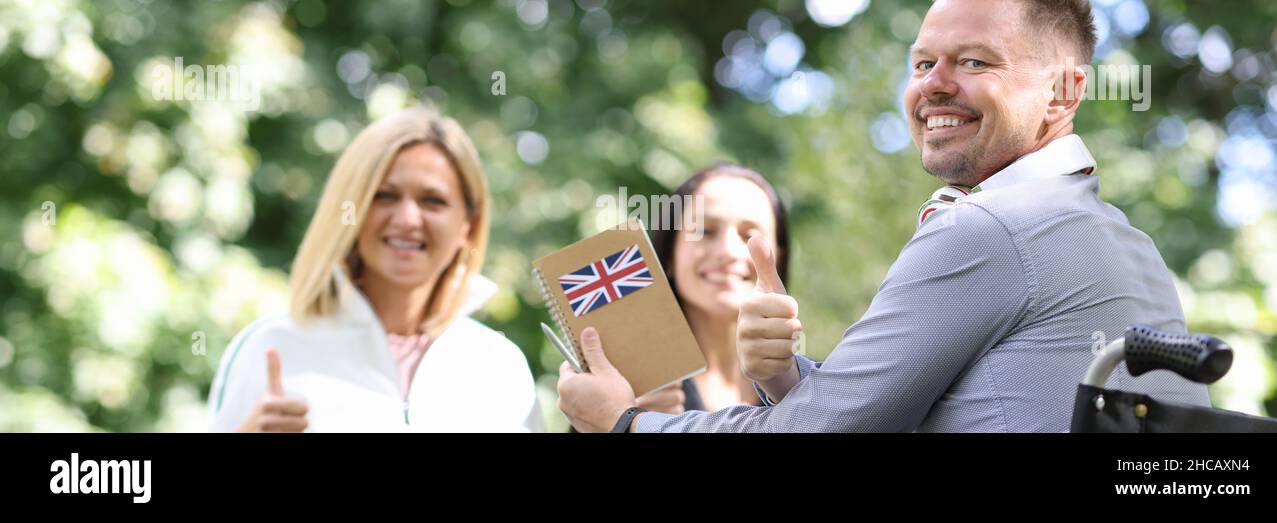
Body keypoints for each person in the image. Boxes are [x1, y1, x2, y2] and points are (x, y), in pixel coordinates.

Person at [556, 0, 1210, 433]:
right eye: (923, 62)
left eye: (974, 61)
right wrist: (786, 373)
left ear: (1064, 90)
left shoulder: (991, 227)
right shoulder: (1130, 241)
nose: (934, 84)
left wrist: (626, 422)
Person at [208, 107, 542, 432]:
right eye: (384, 196)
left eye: (433, 201)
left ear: (467, 226)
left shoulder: (501, 367)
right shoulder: (270, 346)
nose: (408, 219)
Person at [634, 164, 792, 414]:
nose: (728, 252)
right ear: (670, 254)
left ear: (779, 258)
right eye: (705, 231)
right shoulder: (631, 387)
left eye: (749, 235)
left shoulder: (815, 389)